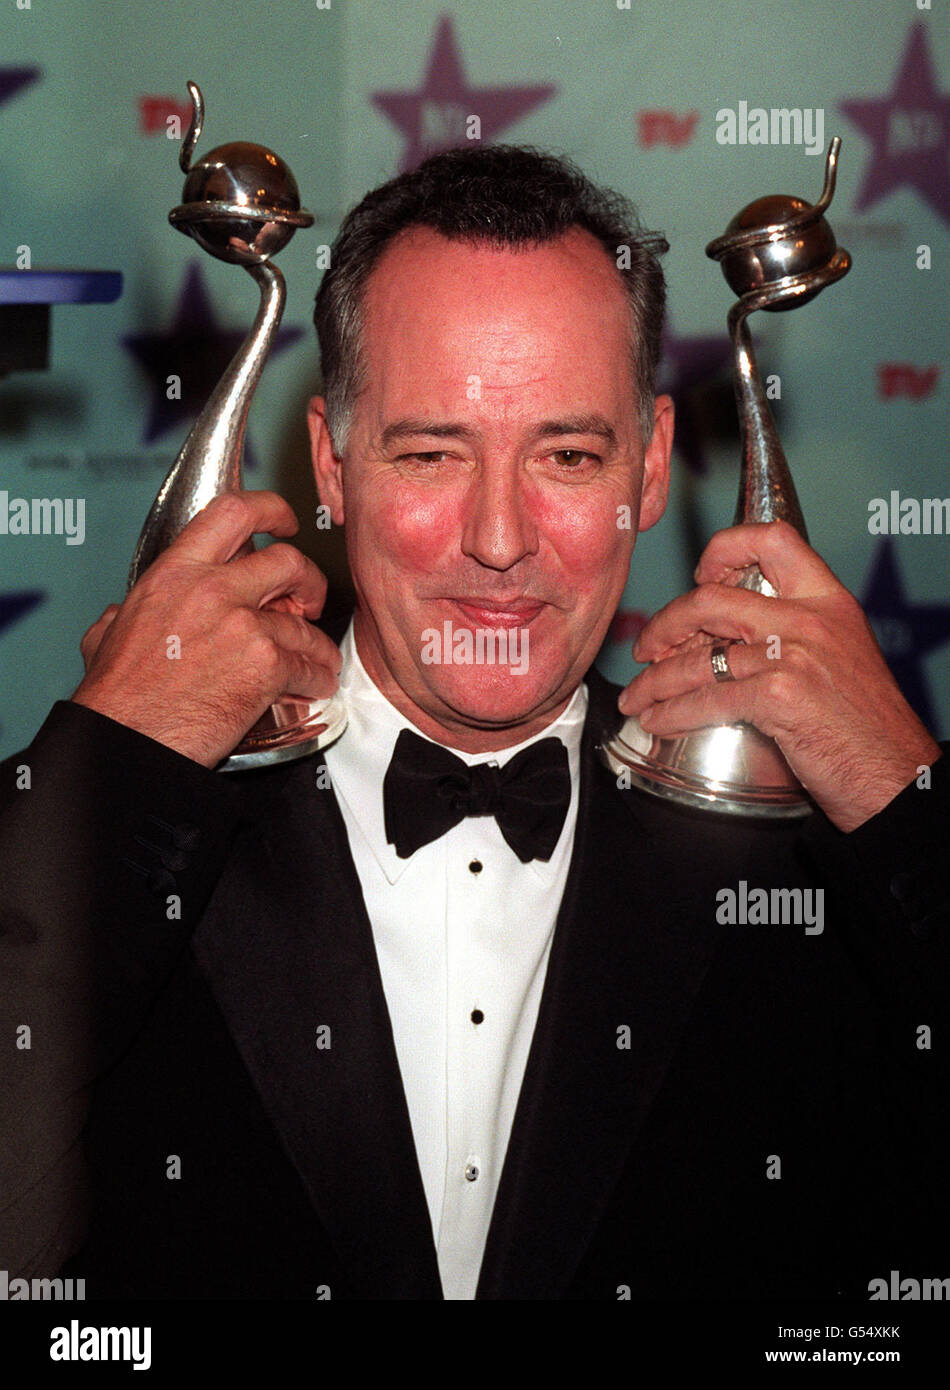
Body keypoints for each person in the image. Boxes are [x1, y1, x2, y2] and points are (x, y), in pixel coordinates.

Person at [1, 145, 948, 1301]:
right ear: (331, 466)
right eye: (429, 453)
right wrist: (107, 772)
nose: (499, 540)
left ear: (650, 467)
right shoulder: (119, 830)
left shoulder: (811, 869)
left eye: (567, 454)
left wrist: (907, 792)